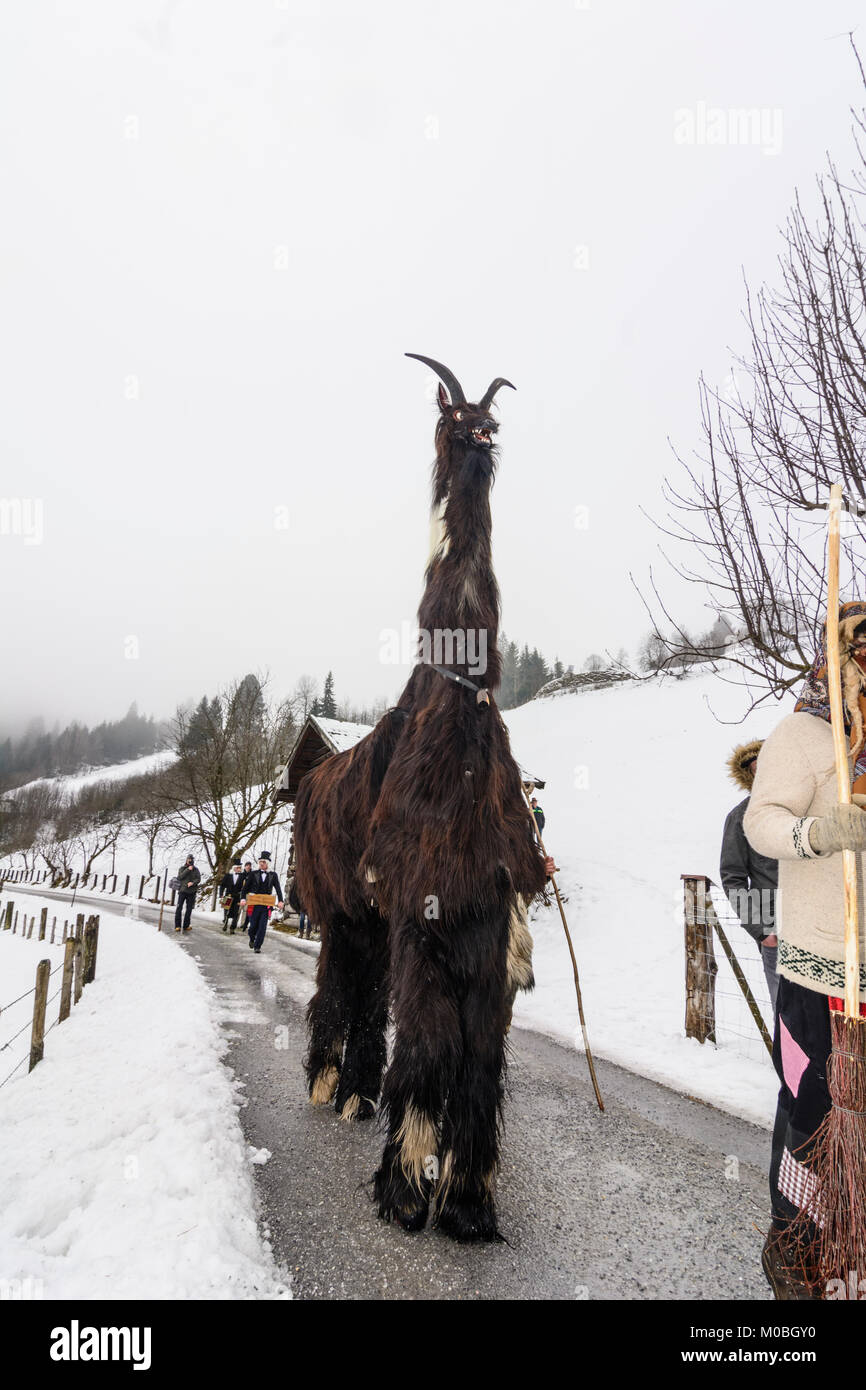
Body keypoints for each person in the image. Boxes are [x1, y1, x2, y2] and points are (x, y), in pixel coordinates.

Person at [744, 602, 866, 1299]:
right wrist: (819, 835)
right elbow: (762, 821)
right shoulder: (802, 733)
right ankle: (796, 1242)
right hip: (814, 970)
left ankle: (852, 1255)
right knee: (810, 1106)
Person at [720, 740, 779, 1014]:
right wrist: (761, 931)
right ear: (749, 775)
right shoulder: (741, 817)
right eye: (757, 769)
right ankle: (789, 1058)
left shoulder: (803, 807)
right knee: (786, 1009)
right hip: (775, 930)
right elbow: (733, 878)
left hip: (818, 926)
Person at [240, 852, 284, 954]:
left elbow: (278, 889)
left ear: (267, 863)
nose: (261, 864)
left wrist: (281, 901)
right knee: (252, 927)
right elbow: (245, 889)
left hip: (266, 905)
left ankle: (257, 946)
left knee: (262, 927)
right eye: (260, 862)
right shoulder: (253, 874)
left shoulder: (273, 875)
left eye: (263, 862)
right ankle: (252, 938)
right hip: (254, 904)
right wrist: (243, 899)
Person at [174, 854, 201, 934]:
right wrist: (188, 870)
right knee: (179, 908)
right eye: (189, 859)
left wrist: (192, 883)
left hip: (192, 892)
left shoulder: (196, 869)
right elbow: (179, 877)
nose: (190, 861)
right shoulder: (182, 868)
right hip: (182, 891)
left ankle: (186, 925)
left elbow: (198, 879)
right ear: (186, 860)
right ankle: (177, 926)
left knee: (189, 909)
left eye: (191, 859)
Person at [219, 859, 245, 934]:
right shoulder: (228, 875)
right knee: (226, 911)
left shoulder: (242, 876)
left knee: (236, 912)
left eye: (240, 868)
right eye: (238, 868)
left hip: (237, 896)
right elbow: (222, 885)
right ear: (234, 868)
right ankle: (225, 923)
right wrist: (221, 894)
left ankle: (232, 927)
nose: (239, 869)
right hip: (227, 895)